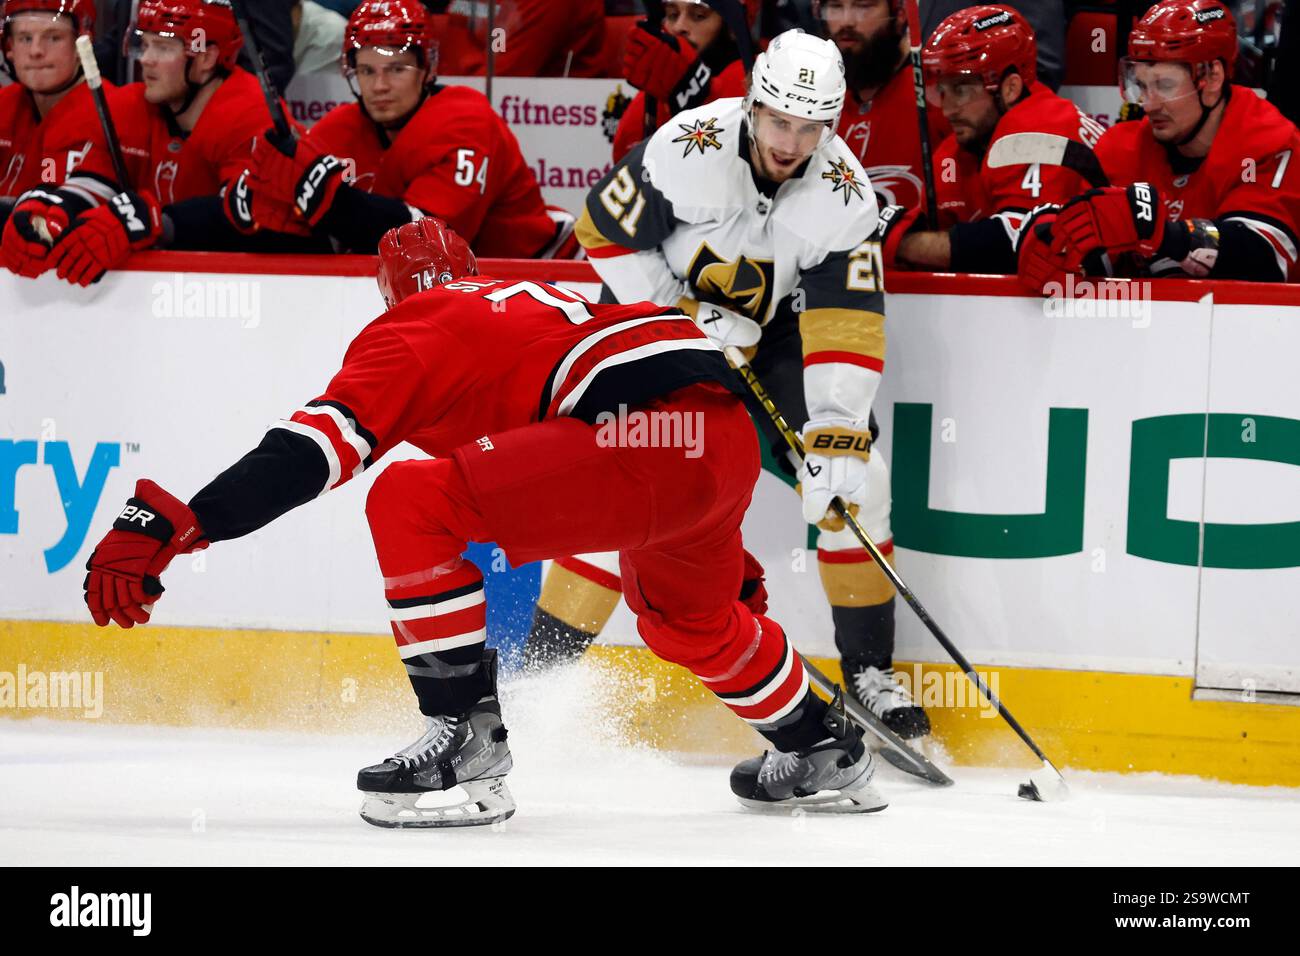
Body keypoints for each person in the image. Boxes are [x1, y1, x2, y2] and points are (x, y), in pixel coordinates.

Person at [80, 217, 888, 825]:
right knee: (689, 621)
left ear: (394, 294)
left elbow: (312, 449)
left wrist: (190, 524)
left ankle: (463, 743)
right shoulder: (540, 299)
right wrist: (713, 520)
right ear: (469, 269)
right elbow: (635, 402)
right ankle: (825, 745)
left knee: (409, 498)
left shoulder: (413, 327)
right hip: (712, 436)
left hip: (645, 440)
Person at [536, 28, 933, 741]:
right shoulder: (686, 147)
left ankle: (869, 673)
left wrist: (837, 423)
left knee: (859, 483)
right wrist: (680, 319)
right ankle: (537, 678)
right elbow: (604, 234)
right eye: (779, 120)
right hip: (648, 326)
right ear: (752, 106)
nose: (789, 142)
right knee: (612, 492)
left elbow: (848, 316)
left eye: (809, 128)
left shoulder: (846, 197)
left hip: (770, 335)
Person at [7, 0, 320, 288]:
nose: (146, 60)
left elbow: (248, 218)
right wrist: (48, 209)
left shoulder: (251, 113)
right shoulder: (134, 103)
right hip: (178, 295)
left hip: (263, 296)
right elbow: (95, 181)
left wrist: (152, 219)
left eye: (163, 48)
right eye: (144, 45)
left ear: (207, 57)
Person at [237, 0, 560, 257]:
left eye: (396, 69)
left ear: (426, 68)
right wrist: (256, 201)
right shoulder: (342, 127)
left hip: (540, 271)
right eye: (366, 70)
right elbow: (288, 218)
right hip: (453, 289)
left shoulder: (466, 120)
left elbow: (427, 244)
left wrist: (329, 201)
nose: (379, 86)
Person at [1019, 0, 1300, 288]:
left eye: (1164, 86)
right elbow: (1093, 265)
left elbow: (1264, 259)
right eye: (1141, 85)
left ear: (1212, 77)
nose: (1149, 104)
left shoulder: (1267, 140)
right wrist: (1057, 247)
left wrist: (1168, 235)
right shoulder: (1119, 149)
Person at [875, 4, 1105, 275]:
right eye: (942, 91)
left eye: (961, 90)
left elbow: (1019, 248)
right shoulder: (955, 152)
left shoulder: (1041, 126)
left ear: (1010, 88)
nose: (947, 110)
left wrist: (901, 242)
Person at [0, 0, 124, 276]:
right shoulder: (4, 105)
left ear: (82, 44)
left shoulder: (114, 112)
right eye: (24, 38)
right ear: (9, 48)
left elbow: (50, 226)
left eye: (53, 38)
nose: (35, 51)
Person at [815, 0, 948, 211]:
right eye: (835, 6)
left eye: (864, 6)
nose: (847, 21)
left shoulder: (939, 88)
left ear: (900, 14)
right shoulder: (814, 93)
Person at [612, 0, 756, 162]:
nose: (679, 27)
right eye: (672, 14)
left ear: (731, 25)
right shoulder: (660, 82)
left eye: (698, 15)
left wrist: (696, 95)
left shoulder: (763, 79)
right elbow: (625, 160)